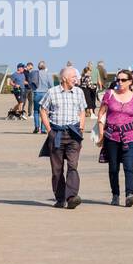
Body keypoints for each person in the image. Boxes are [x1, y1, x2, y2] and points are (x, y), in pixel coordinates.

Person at [96, 67, 133, 206]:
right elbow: (100, 114)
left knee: (129, 167)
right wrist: (101, 133)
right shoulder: (109, 94)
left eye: (123, 80)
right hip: (111, 136)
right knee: (113, 168)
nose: (120, 82)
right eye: (118, 79)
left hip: (129, 136)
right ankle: (115, 194)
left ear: (130, 82)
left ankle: (129, 195)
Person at [38, 65, 87, 209]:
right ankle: (60, 198)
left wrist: (81, 129)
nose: (76, 80)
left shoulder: (79, 92)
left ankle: (71, 197)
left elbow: (82, 111)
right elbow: (43, 110)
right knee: (57, 169)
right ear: (64, 78)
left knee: (73, 166)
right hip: (57, 133)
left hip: (74, 134)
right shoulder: (52, 92)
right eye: (73, 77)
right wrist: (49, 130)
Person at [32, 60, 54, 134]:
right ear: (45, 67)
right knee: (44, 112)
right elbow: (51, 85)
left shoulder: (35, 74)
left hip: (36, 93)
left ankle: (36, 127)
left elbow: (31, 83)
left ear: (38, 67)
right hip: (45, 94)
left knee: (36, 111)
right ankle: (43, 129)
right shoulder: (48, 74)